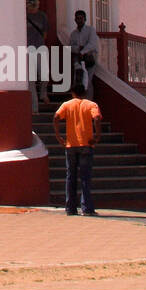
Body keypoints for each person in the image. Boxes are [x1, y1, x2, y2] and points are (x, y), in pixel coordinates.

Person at [53, 79, 102, 216]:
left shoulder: (67, 105)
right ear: (85, 92)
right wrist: (97, 136)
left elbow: (56, 117)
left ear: (73, 93)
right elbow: (97, 118)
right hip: (86, 144)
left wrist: (59, 136)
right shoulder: (91, 104)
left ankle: (70, 208)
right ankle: (87, 208)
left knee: (71, 177)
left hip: (71, 145)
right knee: (85, 177)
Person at [68, 9, 100, 99]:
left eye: (81, 18)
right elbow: (70, 47)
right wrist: (79, 48)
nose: (79, 20)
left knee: (88, 80)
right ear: (75, 20)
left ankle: (88, 101)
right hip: (78, 60)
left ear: (85, 19)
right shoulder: (73, 34)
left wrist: (82, 51)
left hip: (89, 59)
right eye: (77, 18)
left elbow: (92, 44)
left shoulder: (90, 30)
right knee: (78, 81)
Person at [25, 0, 50, 109]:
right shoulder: (24, 16)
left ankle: (43, 94)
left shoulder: (42, 16)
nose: (32, 8)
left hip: (40, 47)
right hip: (28, 49)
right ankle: (34, 106)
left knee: (44, 75)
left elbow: (45, 33)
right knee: (31, 79)